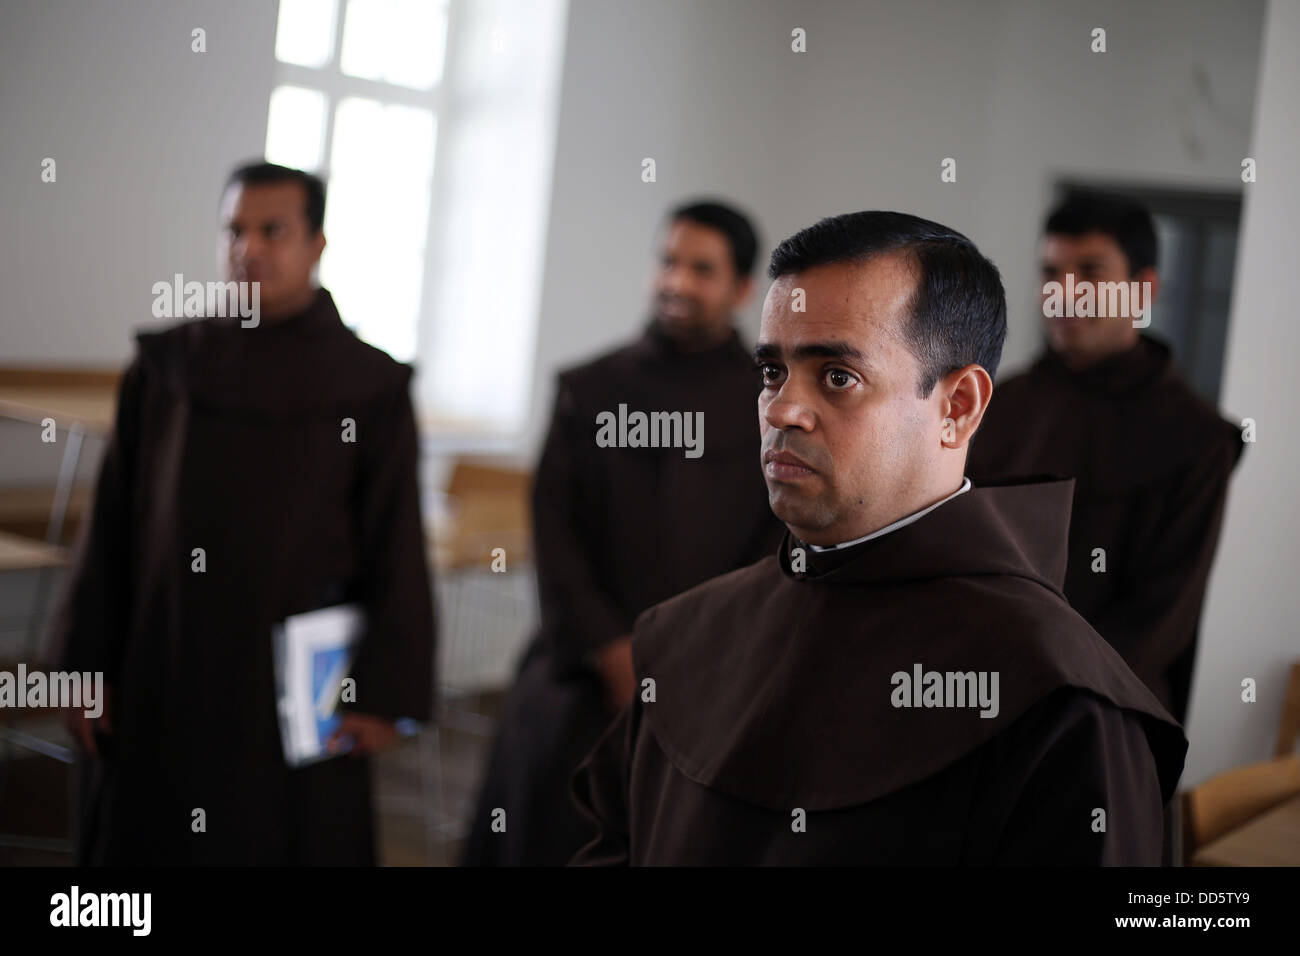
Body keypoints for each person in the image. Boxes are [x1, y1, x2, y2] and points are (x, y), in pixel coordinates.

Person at [570, 211, 1186, 865]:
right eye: (773, 372)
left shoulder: (1060, 704)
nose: (781, 409)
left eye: (837, 376)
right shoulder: (687, 634)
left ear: (957, 408)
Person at [50, 161, 436, 865]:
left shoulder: (370, 384)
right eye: (234, 230)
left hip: (292, 687)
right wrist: (84, 664)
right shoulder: (168, 367)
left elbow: (396, 541)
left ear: (316, 244)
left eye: (272, 230)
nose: (247, 248)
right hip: (164, 665)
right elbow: (108, 527)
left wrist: (384, 691)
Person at [462, 201, 785, 865]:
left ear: (741, 288)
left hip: (707, 683)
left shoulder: (772, 405)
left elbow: (772, 543)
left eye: (702, 269)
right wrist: (611, 651)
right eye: (668, 261)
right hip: (579, 671)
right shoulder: (589, 386)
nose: (678, 281)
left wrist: (689, 657)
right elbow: (555, 532)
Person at [969, 191, 1244, 725]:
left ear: (1144, 289)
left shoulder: (1197, 436)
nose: (1065, 294)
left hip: (1102, 714)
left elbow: (1162, 618)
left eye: (1090, 273)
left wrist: (1045, 689)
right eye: (1051, 272)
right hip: (981, 694)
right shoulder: (998, 403)